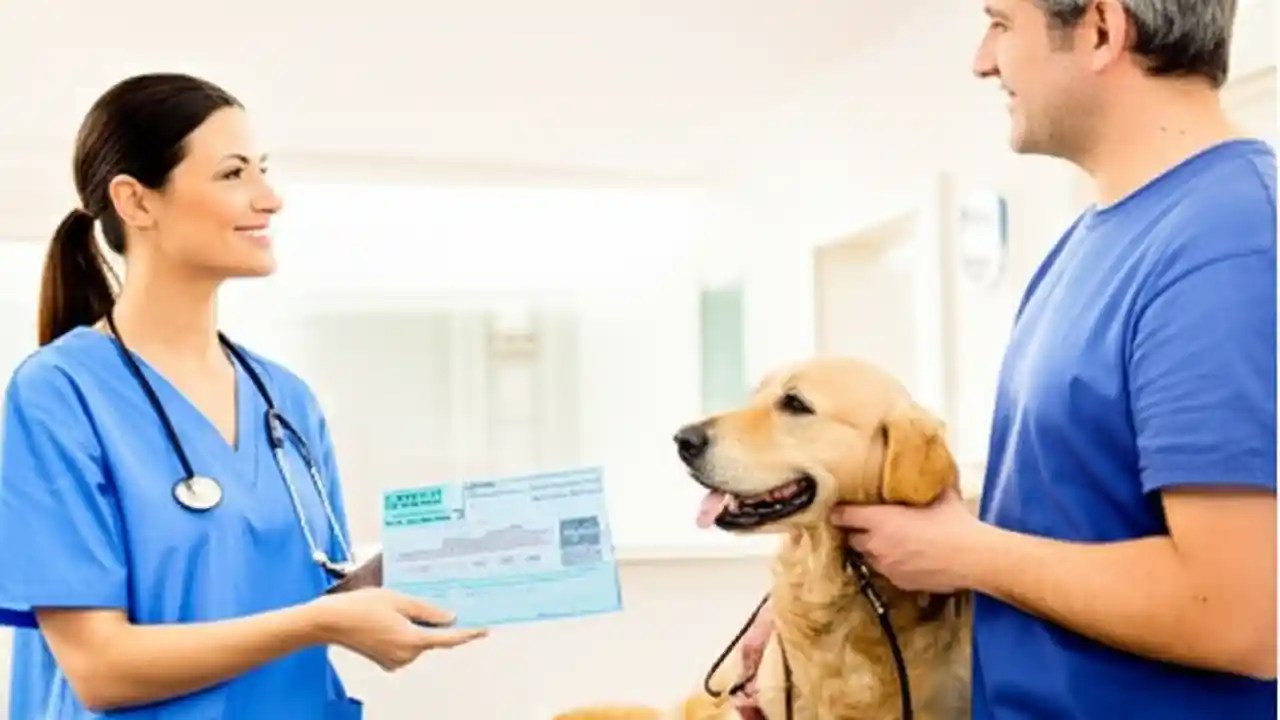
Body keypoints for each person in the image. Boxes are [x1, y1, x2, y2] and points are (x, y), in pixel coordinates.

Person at [826, 1, 1277, 718]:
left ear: (1101, 28)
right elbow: (1075, 513)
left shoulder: (1229, 243)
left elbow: (1240, 612)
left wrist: (967, 553)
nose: (982, 60)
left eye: (1002, 24)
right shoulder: (1088, 243)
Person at [0, 73, 487, 720]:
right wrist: (321, 623)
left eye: (263, 169)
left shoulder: (286, 401)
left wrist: (471, 563)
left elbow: (311, 598)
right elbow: (100, 668)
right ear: (137, 202)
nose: (270, 198)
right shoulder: (59, 395)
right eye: (233, 174)